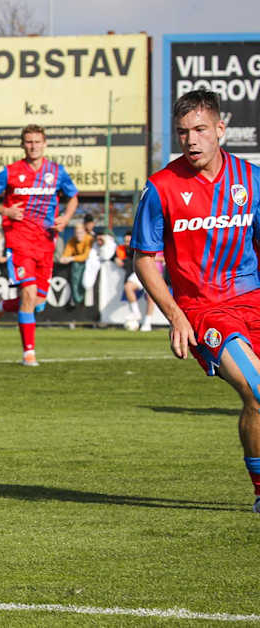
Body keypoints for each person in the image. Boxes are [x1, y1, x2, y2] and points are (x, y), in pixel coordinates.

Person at [131, 88, 260, 514]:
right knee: (257, 390)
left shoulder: (251, 179)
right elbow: (145, 260)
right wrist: (176, 316)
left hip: (253, 300)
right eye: (183, 132)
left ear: (220, 129)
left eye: (201, 129)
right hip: (205, 309)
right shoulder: (161, 187)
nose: (191, 140)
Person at [0, 124, 80, 366]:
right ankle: (29, 353)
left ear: (45, 143)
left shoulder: (56, 172)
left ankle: (3, 305)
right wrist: (5, 210)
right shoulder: (10, 172)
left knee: (38, 301)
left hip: (46, 243)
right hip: (19, 241)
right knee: (28, 293)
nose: (33, 146)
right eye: (28, 142)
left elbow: (73, 197)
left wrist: (65, 219)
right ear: (22, 144)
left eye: (37, 141)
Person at [59, 220, 93, 305]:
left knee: (86, 283)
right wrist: (64, 258)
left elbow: (86, 256)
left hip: (90, 266)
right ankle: (75, 299)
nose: (78, 235)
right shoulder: (72, 240)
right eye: (77, 233)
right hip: (77, 264)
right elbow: (66, 253)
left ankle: (82, 299)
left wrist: (71, 258)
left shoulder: (89, 239)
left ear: (85, 232)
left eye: (81, 233)